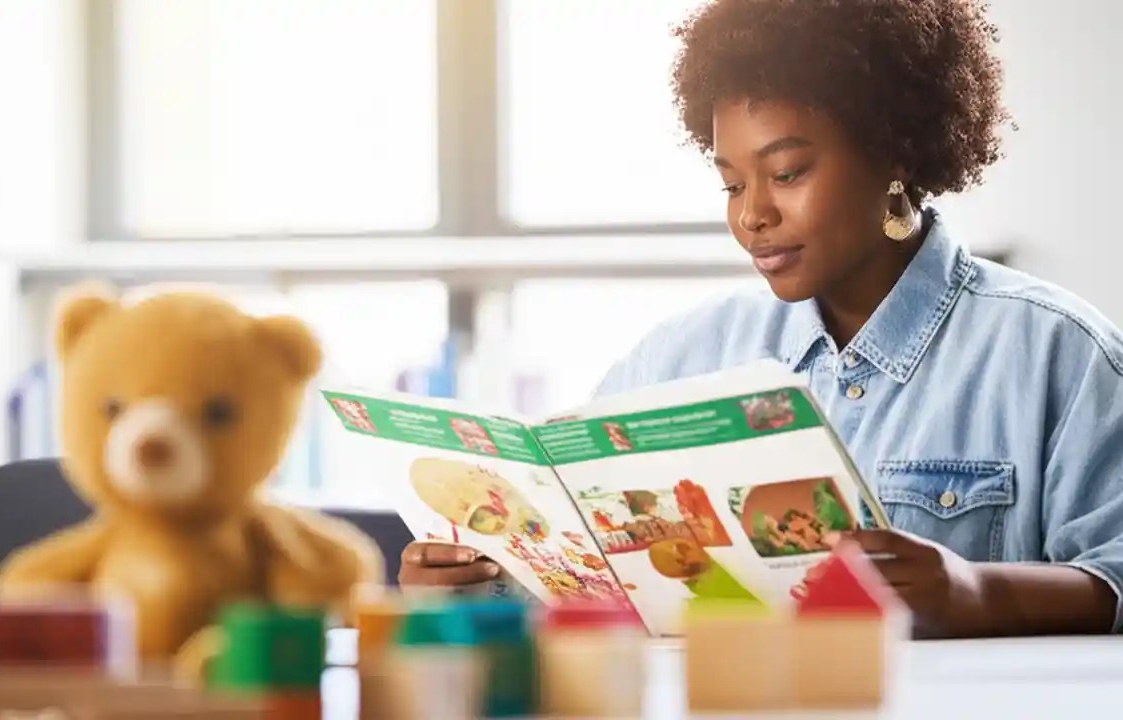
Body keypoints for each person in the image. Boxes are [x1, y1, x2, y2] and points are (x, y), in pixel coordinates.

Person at [399, 0, 1123, 638]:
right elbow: (594, 575)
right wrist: (484, 578)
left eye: (787, 173)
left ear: (895, 151)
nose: (752, 215)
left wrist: (979, 591)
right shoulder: (679, 357)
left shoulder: (1056, 354)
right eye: (732, 182)